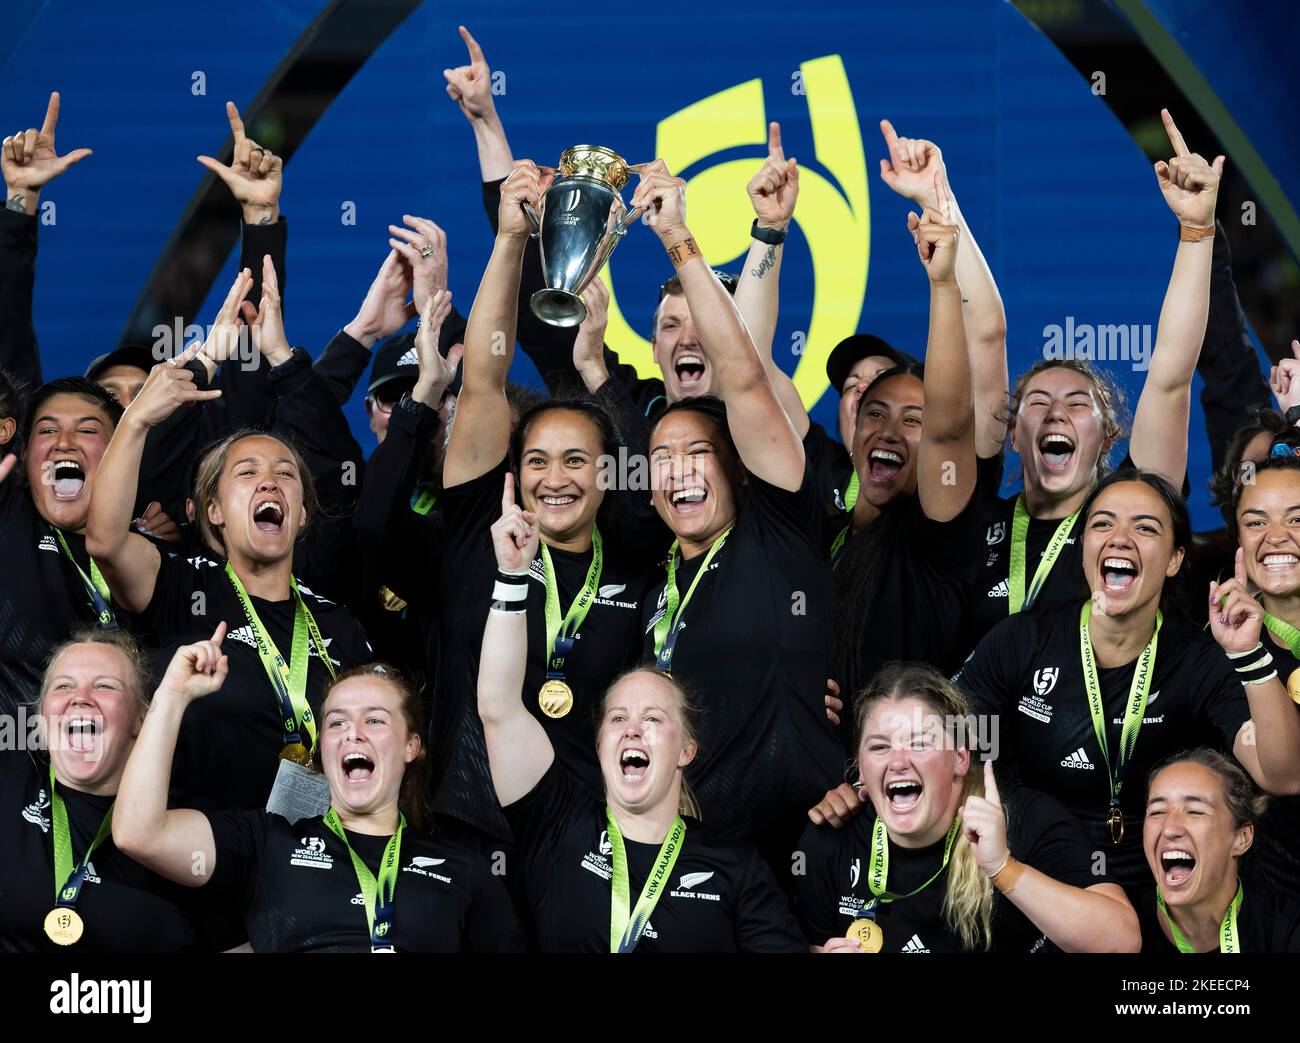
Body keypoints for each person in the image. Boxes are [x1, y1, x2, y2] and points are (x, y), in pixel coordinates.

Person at [408, 161, 663, 841]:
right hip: (468, 832)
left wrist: (596, 370)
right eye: (538, 461)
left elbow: (644, 472)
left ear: (608, 475)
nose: (556, 477)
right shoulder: (474, 536)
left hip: (586, 844)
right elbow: (486, 379)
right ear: (511, 472)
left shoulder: (634, 559)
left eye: (577, 460)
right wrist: (509, 240)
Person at [86, 270, 371, 810]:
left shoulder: (339, 622)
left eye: (285, 474)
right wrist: (141, 418)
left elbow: (336, 459)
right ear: (212, 511)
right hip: (199, 856)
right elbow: (104, 539)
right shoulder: (180, 585)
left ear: (304, 513)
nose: (269, 481)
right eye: (246, 473)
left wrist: (286, 358)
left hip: (312, 865)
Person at [478, 491, 805, 952]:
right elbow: (498, 708)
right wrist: (512, 576)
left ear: (686, 750)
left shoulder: (737, 868)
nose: (632, 729)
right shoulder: (557, 825)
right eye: (617, 718)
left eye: (653, 718)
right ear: (598, 745)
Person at [628, 158, 842, 846]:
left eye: (698, 455)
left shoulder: (775, 524)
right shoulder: (658, 582)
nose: (679, 472)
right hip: (693, 851)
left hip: (797, 844)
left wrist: (681, 239)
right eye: (662, 461)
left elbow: (745, 376)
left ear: (741, 469)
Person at [956, 470, 1300, 884]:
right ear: (1082, 546)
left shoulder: (1198, 661)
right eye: (1102, 523)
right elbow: (960, 745)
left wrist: (1249, 655)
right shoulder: (1019, 641)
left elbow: (1283, 775)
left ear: (1175, 559)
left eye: (1145, 527)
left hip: (1159, 886)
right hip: (1031, 867)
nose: (1120, 537)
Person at [960, 110, 1222, 649]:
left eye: (1078, 403)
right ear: (1012, 434)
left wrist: (1196, 232)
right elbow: (985, 334)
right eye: (1037, 401)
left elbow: (1171, 375)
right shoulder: (974, 515)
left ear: (1107, 437)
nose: (1056, 412)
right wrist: (940, 207)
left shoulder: (1134, 510)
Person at [113, 632, 524, 952]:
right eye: (337, 723)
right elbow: (139, 833)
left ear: (411, 748)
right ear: (323, 749)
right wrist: (172, 696)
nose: (353, 735)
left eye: (375, 721)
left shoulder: (463, 866)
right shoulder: (269, 841)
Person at [796, 665, 1139, 952]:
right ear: (861, 766)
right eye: (880, 746)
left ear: (960, 758)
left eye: (919, 743)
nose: (898, 761)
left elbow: (1122, 940)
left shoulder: (1023, 818)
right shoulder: (831, 838)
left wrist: (1003, 868)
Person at [830, 173, 985, 704]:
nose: (889, 430)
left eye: (912, 420)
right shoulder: (823, 529)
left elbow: (952, 425)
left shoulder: (938, 532)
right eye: (875, 413)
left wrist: (943, 286)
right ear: (852, 431)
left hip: (916, 772)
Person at [1, 629, 197, 952]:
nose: (80, 697)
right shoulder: (10, 773)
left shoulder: (179, 829)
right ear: (41, 717)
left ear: (141, 720)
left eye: (104, 686)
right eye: (63, 685)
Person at [1214, 453, 1300, 892]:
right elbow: (1286, 776)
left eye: (1297, 519)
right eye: (1256, 522)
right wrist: (1249, 654)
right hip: (1276, 891)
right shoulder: (1222, 653)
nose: (1276, 537)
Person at [1137, 749, 1300, 952]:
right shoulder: (1123, 932)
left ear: (1242, 838)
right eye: (1157, 812)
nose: (1170, 828)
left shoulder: (1286, 928)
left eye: (1195, 811)